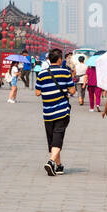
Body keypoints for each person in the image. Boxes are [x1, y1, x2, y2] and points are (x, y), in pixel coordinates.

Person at [34, 47, 76, 176]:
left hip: (47, 112)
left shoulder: (41, 74)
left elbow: (37, 92)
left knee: (53, 140)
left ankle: (59, 166)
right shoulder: (65, 72)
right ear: (59, 60)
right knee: (58, 138)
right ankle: (52, 161)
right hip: (62, 110)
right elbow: (73, 91)